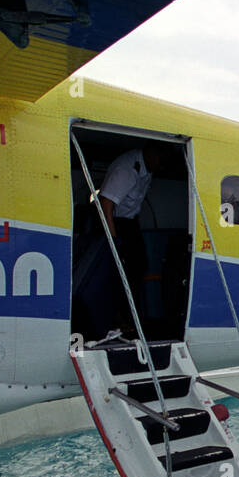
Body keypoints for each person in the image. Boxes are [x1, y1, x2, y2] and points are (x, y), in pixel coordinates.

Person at [96, 142, 165, 338]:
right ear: (151, 154)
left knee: (139, 267)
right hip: (116, 223)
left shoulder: (146, 169)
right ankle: (119, 320)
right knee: (120, 273)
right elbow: (106, 203)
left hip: (129, 223)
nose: (161, 166)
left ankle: (131, 317)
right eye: (160, 160)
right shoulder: (127, 169)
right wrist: (113, 240)